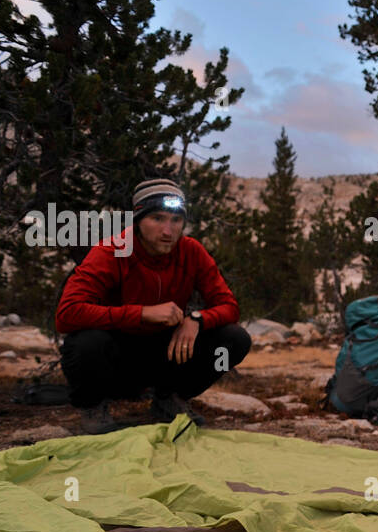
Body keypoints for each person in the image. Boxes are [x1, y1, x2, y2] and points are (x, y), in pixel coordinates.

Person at [55, 178, 252, 434]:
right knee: (85, 343)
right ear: (137, 220)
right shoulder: (112, 251)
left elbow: (229, 307)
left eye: (176, 220)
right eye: (157, 219)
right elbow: (67, 314)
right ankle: (93, 406)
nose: (168, 231)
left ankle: (172, 399)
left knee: (235, 340)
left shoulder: (191, 251)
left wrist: (197, 319)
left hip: (166, 355)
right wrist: (142, 314)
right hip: (118, 360)